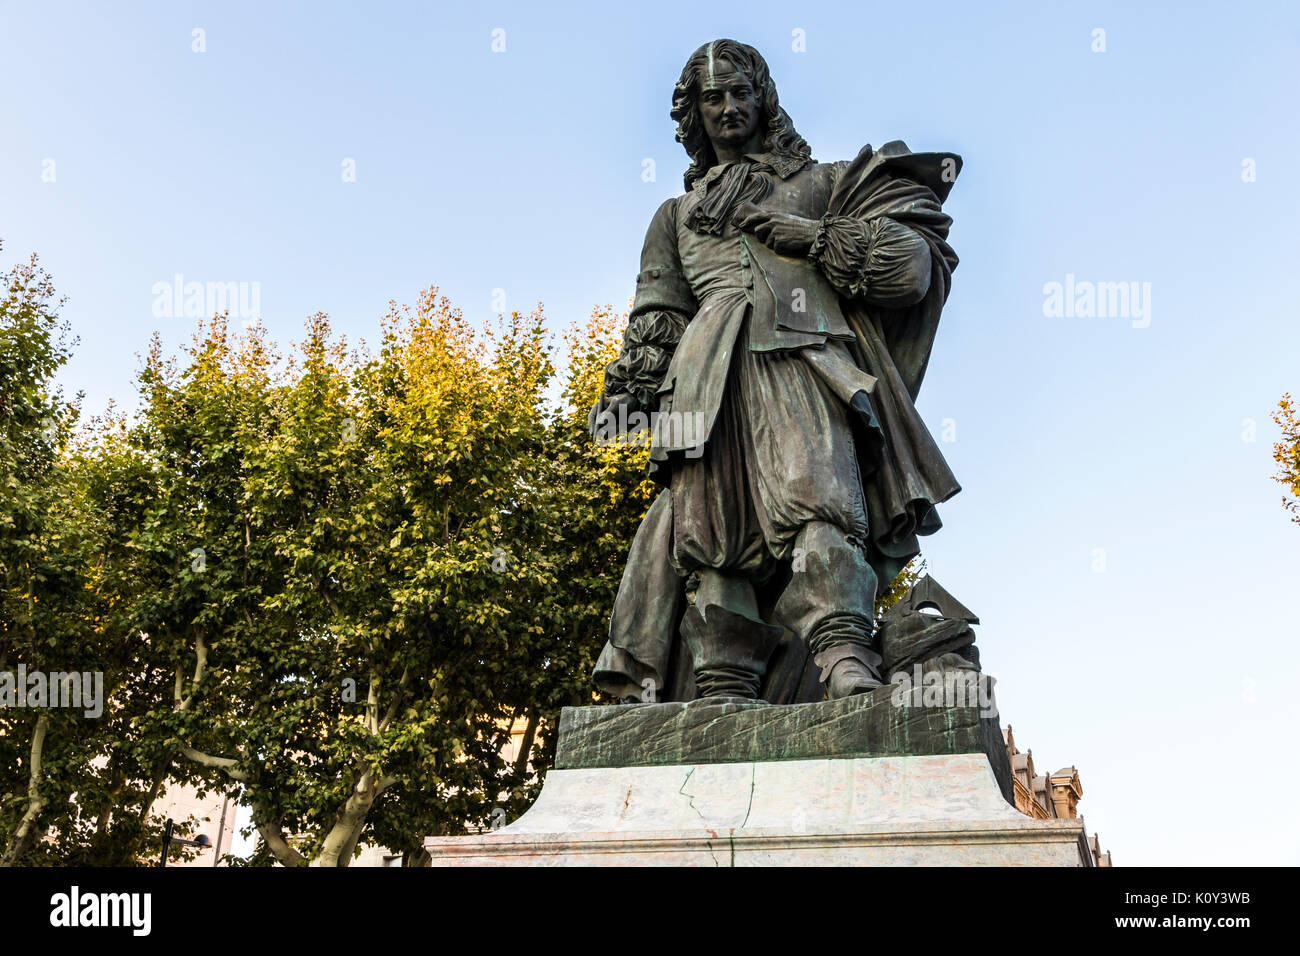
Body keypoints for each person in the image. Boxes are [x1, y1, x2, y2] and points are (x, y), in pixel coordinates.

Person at [589, 39, 962, 704]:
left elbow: (909, 268)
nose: (728, 108)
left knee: (819, 499)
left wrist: (812, 238)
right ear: (693, 115)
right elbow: (658, 318)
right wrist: (628, 393)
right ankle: (722, 681)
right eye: (712, 98)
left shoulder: (821, 184)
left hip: (799, 354)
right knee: (711, 540)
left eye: (739, 92)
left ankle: (845, 653)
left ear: (764, 99)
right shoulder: (674, 218)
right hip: (702, 381)